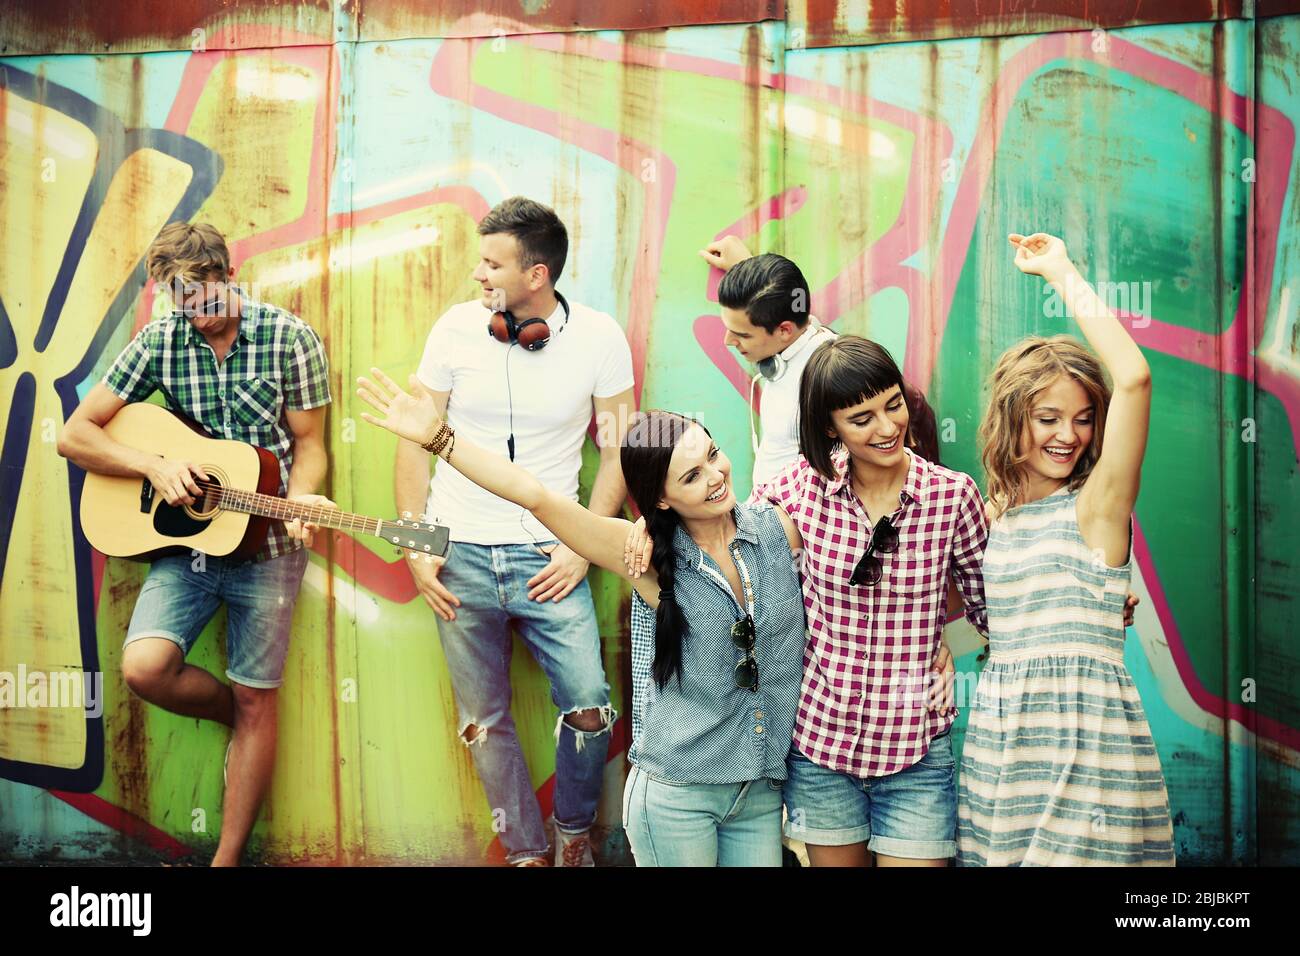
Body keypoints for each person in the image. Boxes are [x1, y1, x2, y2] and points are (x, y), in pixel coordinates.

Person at [360, 367, 808, 865]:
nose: (716, 475)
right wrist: (440, 439)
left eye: (712, 455)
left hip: (761, 789)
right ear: (661, 498)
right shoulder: (645, 557)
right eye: (691, 476)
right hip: (680, 795)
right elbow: (535, 495)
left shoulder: (776, 529)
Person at [630, 336, 984, 866]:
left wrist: (947, 645)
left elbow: (994, 610)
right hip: (822, 745)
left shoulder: (952, 496)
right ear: (829, 427)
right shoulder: (798, 489)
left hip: (915, 749)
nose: (887, 427)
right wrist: (649, 522)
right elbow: (727, 535)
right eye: (861, 418)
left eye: (893, 405)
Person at [58, 221, 334, 866]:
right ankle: (239, 717)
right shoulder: (161, 339)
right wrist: (152, 467)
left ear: (227, 278)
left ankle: (226, 859)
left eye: (206, 303)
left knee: (257, 693)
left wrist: (302, 502)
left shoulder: (290, 338)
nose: (198, 318)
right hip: (188, 545)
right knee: (144, 667)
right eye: (182, 304)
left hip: (268, 549)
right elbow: (75, 435)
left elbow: (311, 446)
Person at [396, 196, 636, 866]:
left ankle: (573, 832)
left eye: (492, 263)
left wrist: (582, 545)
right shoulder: (454, 330)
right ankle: (526, 854)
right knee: (483, 721)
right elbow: (415, 439)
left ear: (537, 275)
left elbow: (618, 448)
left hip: (549, 556)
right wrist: (417, 542)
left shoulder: (599, 339)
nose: (478, 274)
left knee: (590, 705)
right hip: (460, 555)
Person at [956, 232, 1175, 866]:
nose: (1068, 435)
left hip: (1087, 753)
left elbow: (1133, 378)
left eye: (1082, 418)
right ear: (1011, 416)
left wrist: (1060, 271)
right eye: (1047, 416)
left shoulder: (1096, 504)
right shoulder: (987, 515)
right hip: (1005, 750)